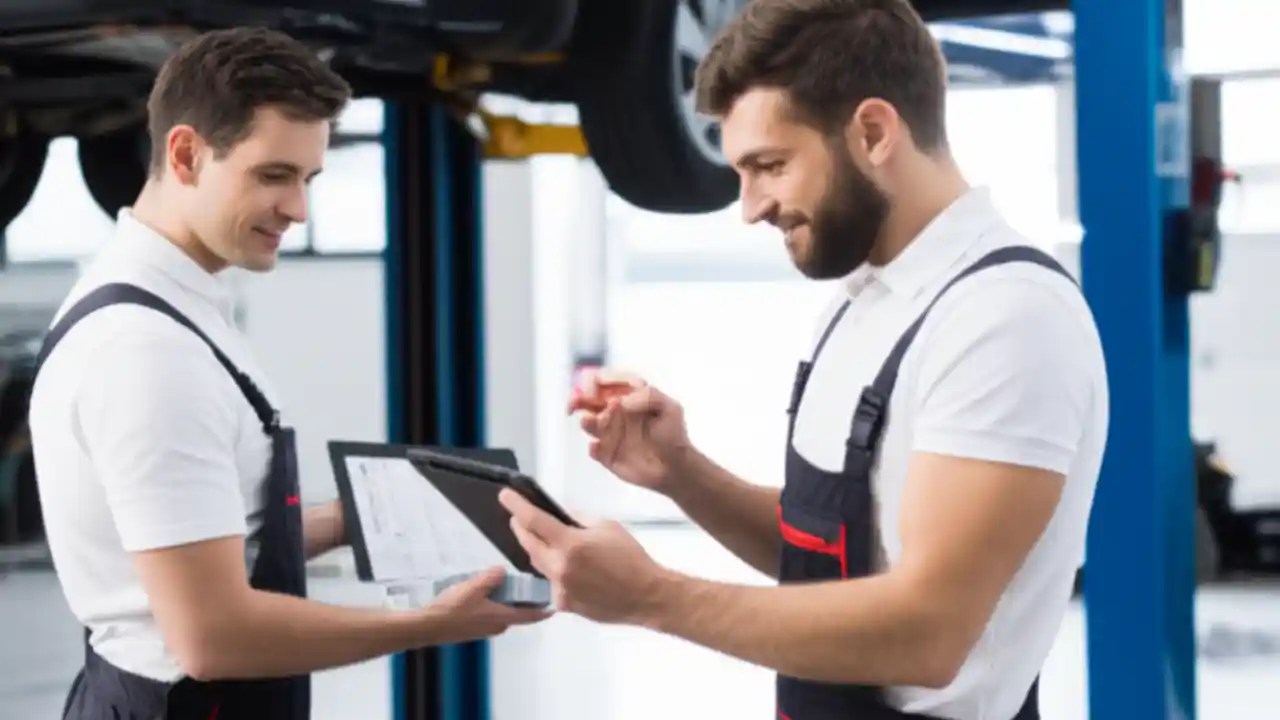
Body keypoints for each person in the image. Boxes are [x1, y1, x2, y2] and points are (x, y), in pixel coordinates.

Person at [499, 1, 1109, 719]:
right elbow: (836, 556)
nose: (750, 207)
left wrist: (651, 597)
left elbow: (929, 631)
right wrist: (683, 473)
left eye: (771, 166)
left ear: (873, 132)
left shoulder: (1005, 318)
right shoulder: (866, 300)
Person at [28, 27, 546, 720]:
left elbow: (209, 536)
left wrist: (380, 517)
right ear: (185, 154)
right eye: (273, 175)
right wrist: (431, 626)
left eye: (308, 179)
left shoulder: (170, 303)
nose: (298, 210)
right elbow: (212, 636)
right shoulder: (146, 353)